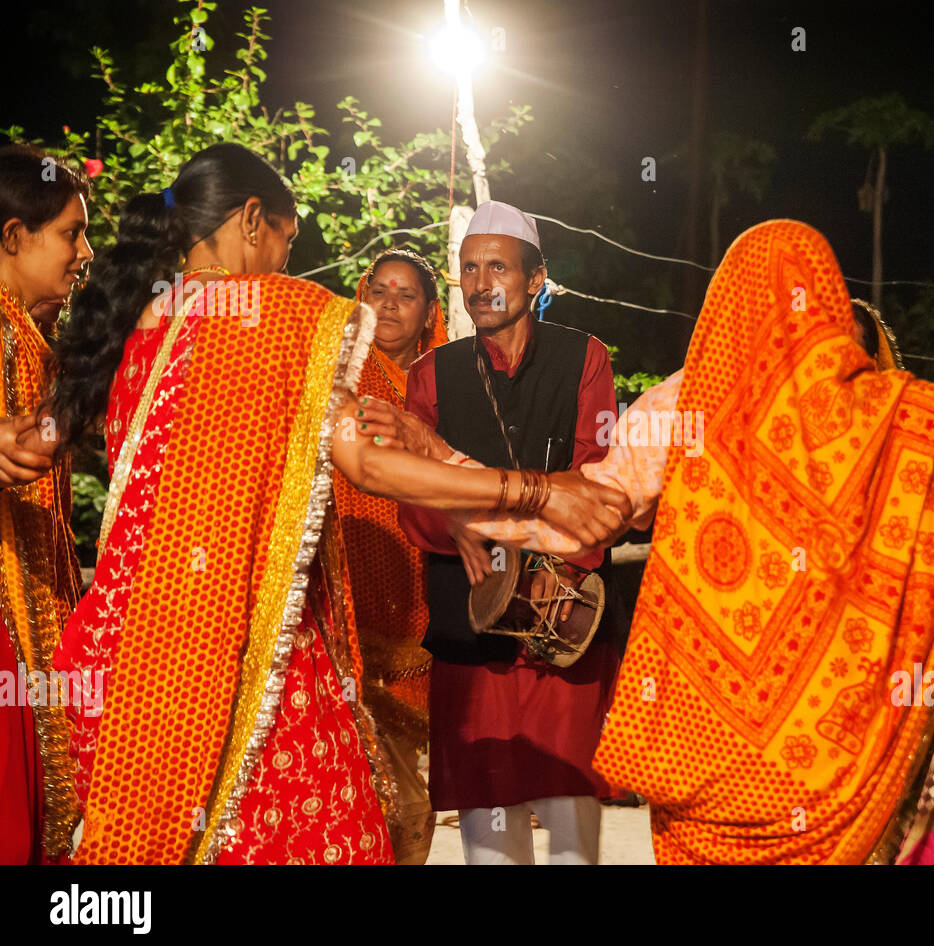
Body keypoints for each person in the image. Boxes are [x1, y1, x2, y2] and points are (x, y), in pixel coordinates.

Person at [367, 219, 934, 863]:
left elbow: (571, 515)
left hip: (705, 780)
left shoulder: (683, 412)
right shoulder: (895, 416)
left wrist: (435, 459)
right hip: (853, 779)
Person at [45, 144, 629, 865]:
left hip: (134, 661)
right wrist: (539, 488)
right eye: (288, 244)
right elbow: (367, 464)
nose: (286, 266)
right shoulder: (278, 313)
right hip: (257, 666)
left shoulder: (142, 332)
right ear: (252, 220)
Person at [395, 199, 623, 865]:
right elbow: (413, 499)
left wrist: (482, 520)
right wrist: (452, 522)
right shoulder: (430, 375)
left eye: (498, 266)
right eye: (468, 267)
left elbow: (599, 488)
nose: (480, 282)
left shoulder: (586, 360)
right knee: (490, 848)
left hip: (563, 628)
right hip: (471, 630)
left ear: (535, 279)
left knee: (571, 836)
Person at [332, 247, 447, 864]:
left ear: (429, 312)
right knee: (348, 777)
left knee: (405, 791)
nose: (389, 305)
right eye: (379, 291)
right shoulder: (339, 373)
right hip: (342, 583)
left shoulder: (445, 387)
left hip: (418, 596)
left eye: (405, 295)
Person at [0, 144, 91, 864]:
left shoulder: (35, 339)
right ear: (12, 238)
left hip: (34, 621)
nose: (85, 253)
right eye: (70, 232)